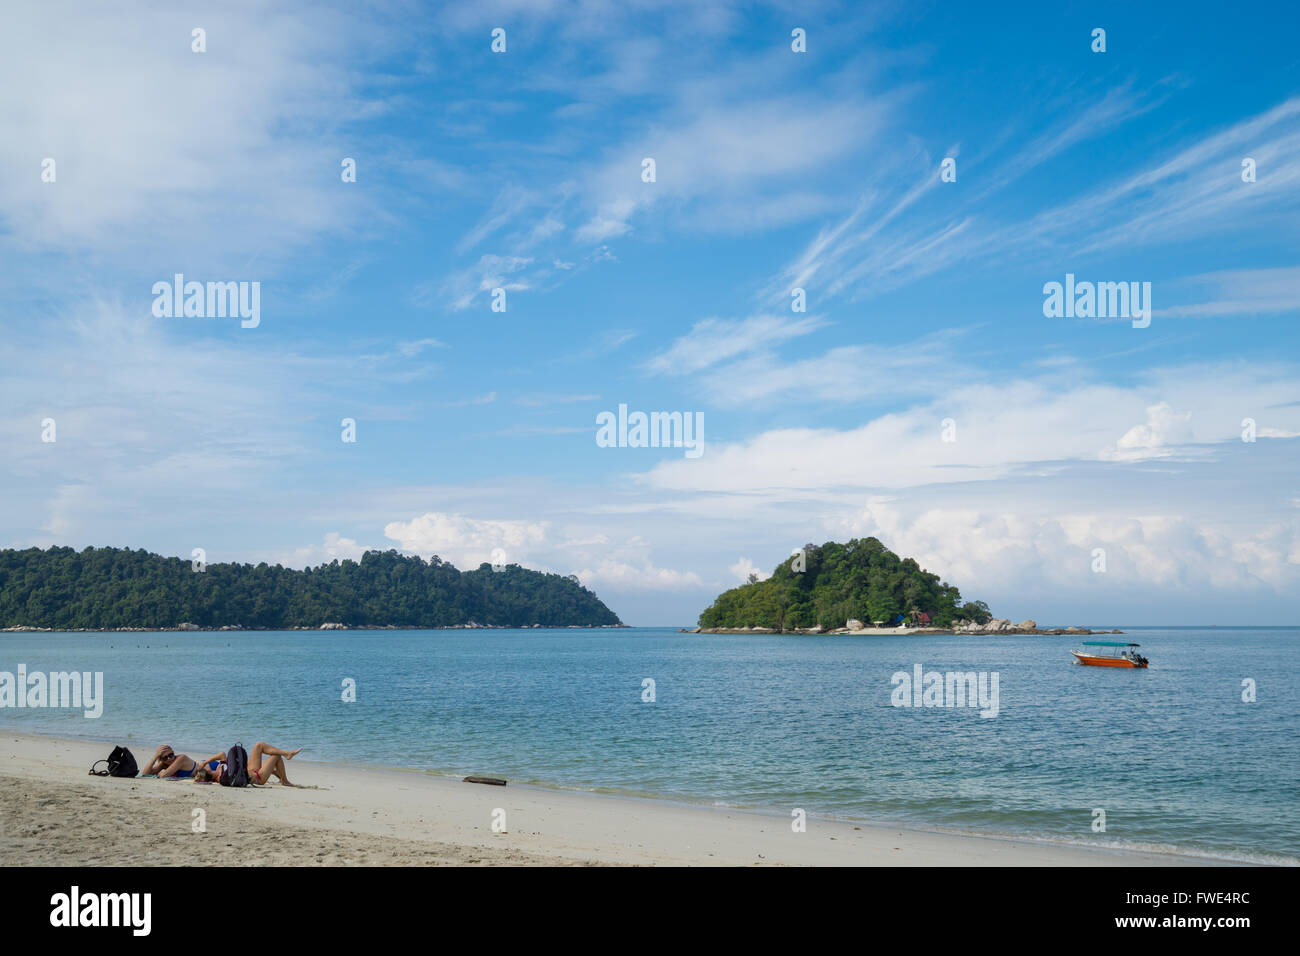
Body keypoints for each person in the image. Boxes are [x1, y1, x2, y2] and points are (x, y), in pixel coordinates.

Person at [193, 742, 303, 786]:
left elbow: (222, 754)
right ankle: (284, 780)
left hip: (250, 769)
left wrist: (206, 762)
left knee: (258, 745)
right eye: (205, 766)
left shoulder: (219, 767)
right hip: (258, 777)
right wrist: (205, 764)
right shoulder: (222, 777)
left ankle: (287, 754)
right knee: (275, 757)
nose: (204, 764)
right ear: (207, 771)